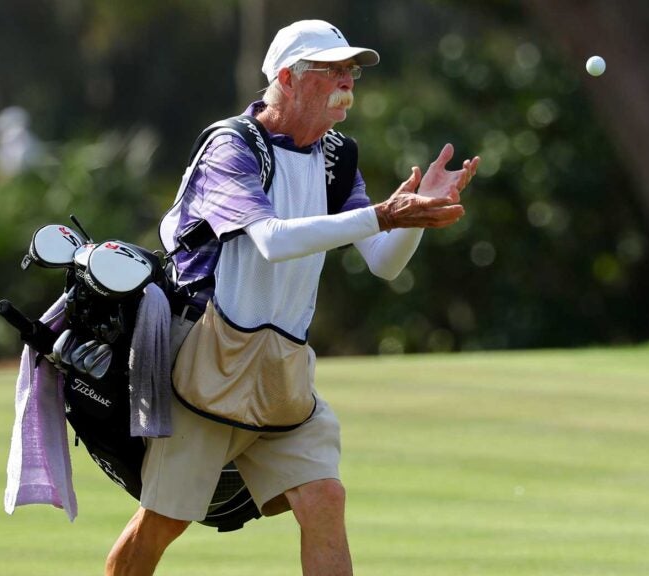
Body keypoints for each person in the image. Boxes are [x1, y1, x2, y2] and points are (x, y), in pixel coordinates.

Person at [105, 19, 480, 576]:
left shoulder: (335, 157)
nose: (348, 82)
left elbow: (382, 261)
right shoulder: (231, 146)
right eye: (333, 71)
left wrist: (416, 216)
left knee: (324, 498)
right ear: (287, 76)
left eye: (351, 72)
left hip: (284, 369)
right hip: (211, 358)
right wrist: (383, 214)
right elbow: (270, 240)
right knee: (163, 521)